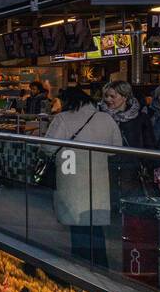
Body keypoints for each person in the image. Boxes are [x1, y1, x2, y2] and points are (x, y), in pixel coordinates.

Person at [44, 86, 122, 267]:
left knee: (77, 223)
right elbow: (115, 148)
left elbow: (47, 148)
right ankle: (100, 264)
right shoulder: (106, 118)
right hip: (98, 178)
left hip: (71, 176)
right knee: (95, 224)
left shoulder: (62, 119)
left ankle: (80, 266)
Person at [100, 80, 154, 200]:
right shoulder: (99, 117)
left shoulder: (141, 118)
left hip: (132, 168)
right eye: (106, 96)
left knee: (130, 202)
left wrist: (147, 165)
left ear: (124, 97)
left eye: (112, 96)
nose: (108, 100)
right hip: (106, 165)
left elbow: (149, 144)